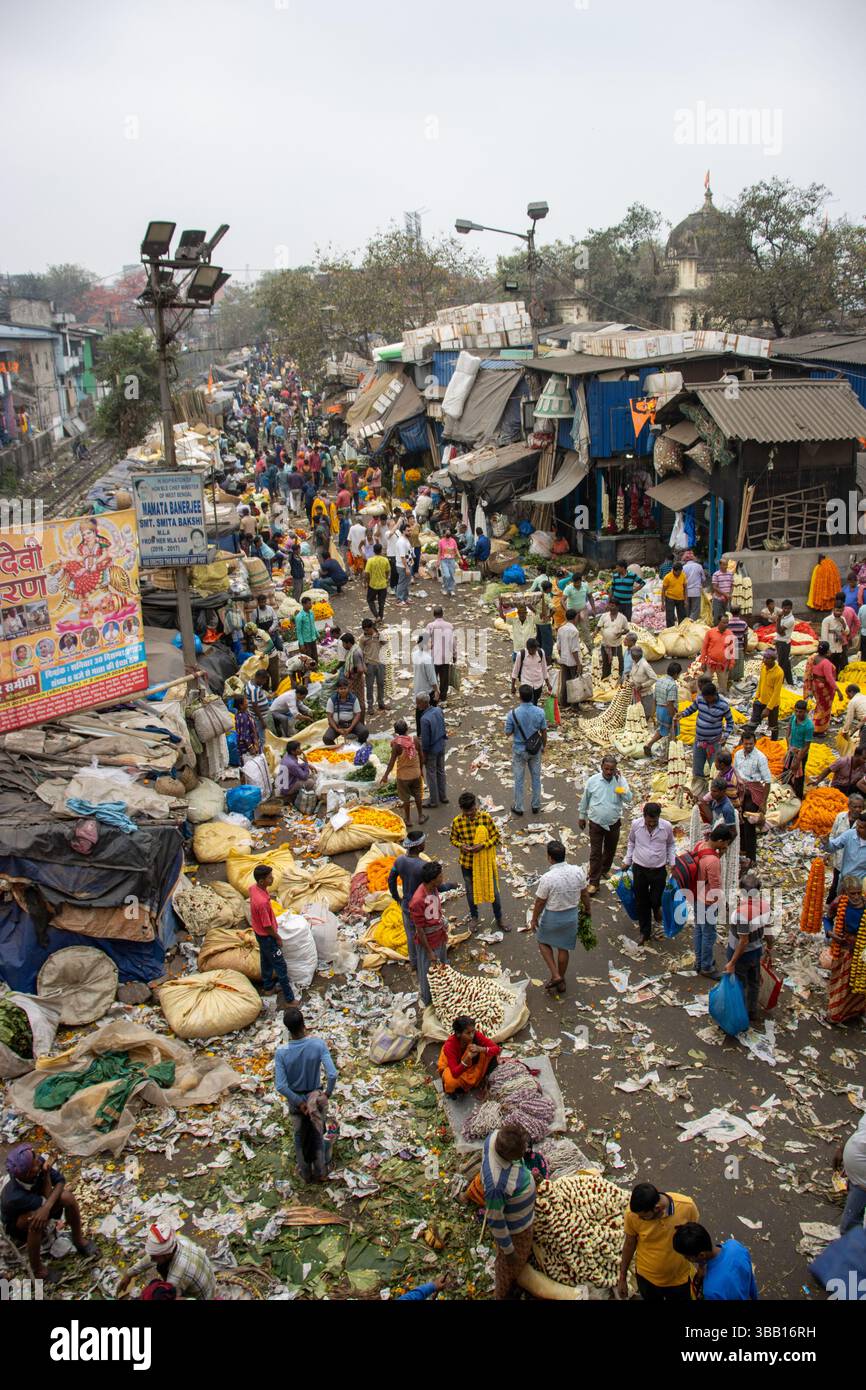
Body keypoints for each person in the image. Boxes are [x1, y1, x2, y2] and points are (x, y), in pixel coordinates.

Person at [2, 1144, 95, 1281]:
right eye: (36, 1165)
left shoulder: (37, 1163)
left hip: (42, 1203)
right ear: (28, 1174)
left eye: (37, 1159)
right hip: (18, 1226)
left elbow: (60, 1181)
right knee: (36, 1222)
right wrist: (46, 1180)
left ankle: (78, 1239)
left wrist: (45, 1175)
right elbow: (47, 1199)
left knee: (67, 1198)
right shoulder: (14, 1196)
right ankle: (38, 1269)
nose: (40, 1162)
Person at [275, 1007, 338, 1183]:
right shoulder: (318, 1045)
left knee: (299, 1136)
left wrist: (298, 1102)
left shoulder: (282, 1052)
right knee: (318, 1133)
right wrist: (327, 1093)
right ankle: (321, 1172)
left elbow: (280, 1085)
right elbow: (332, 1074)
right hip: (315, 1098)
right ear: (304, 1025)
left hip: (296, 1102)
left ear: (288, 1029)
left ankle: (305, 1173)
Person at [482, 1124, 537, 1301]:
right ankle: (504, 1292)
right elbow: (495, 1219)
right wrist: (509, 1251)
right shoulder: (497, 1186)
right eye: (521, 1152)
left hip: (523, 1217)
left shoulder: (495, 1136)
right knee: (508, 1267)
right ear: (507, 1156)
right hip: (515, 1229)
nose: (525, 1153)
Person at [618, 1182, 699, 1302]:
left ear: (657, 1208)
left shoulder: (687, 1206)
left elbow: (696, 1236)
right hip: (646, 1278)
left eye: (644, 1217)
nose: (640, 1219)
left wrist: (702, 1266)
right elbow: (629, 1244)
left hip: (678, 1279)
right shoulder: (632, 1214)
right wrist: (622, 1277)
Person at [529, 841, 591, 992]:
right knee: (563, 949)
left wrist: (534, 918)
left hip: (553, 916)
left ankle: (555, 974)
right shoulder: (577, 871)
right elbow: (584, 893)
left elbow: (540, 902)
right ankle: (561, 981)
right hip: (571, 916)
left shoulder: (548, 878)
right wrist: (588, 910)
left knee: (543, 942)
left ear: (550, 858)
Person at [117, 1217, 215, 1300]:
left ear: (166, 1254)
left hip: (203, 1295)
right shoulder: (178, 1240)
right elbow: (150, 1258)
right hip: (203, 1277)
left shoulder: (176, 1276)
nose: (152, 1258)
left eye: (155, 1256)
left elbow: (170, 1295)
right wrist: (129, 1274)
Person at [449, 792, 508, 931]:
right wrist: (461, 845)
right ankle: (474, 917)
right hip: (467, 863)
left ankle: (499, 917)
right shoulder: (457, 822)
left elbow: (496, 837)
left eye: (472, 811)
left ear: (476, 806)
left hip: (485, 864)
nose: (470, 814)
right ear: (461, 809)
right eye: (467, 812)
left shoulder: (486, 818)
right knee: (470, 892)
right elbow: (453, 839)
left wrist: (482, 845)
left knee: (493, 891)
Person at [622, 803, 676, 944]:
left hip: (658, 870)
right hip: (639, 869)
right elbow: (631, 842)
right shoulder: (636, 825)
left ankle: (656, 910)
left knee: (656, 899)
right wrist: (627, 860)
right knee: (641, 902)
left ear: (659, 817)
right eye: (649, 822)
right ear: (644, 816)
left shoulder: (667, 827)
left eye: (654, 822)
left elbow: (670, 844)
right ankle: (644, 932)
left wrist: (672, 861)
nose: (651, 824)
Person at [579, 755, 632, 894]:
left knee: (610, 850)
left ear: (616, 769)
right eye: (606, 769)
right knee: (595, 853)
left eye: (612, 769)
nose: (609, 772)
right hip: (596, 822)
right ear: (602, 767)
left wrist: (619, 784)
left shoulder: (620, 781)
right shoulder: (593, 781)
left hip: (613, 822)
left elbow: (628, 798)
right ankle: (594, 882)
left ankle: (605, 869)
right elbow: (585, 799)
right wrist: (582, 816)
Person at [689, 824, 737, 977]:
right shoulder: (713, 861)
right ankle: (707, 967)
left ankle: (699, 961)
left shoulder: (699, 845)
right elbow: (715, 886)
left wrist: (720, 854)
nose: (726, 846)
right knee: (709, 934)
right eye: (726, 843)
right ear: (721, 841)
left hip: (696, 895)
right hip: (708, 901)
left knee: (699, 929)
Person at [672, 1224, 759, 1301]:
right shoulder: (735, 1245)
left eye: (687, 1256)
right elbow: (750, 1278)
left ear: (701, 1255)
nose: (686, 1258)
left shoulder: (711, 1291)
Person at [823, 873, 866, 1026]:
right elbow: (827, 919)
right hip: (843, 949)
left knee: (859, 981)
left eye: (858, 893)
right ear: (845, 893)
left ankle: (857, 1010)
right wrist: (830, 933)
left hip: (861, 950)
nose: (856, 897)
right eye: (852, 893)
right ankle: (837, 1012)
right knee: (843, 982)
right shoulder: (838, 903)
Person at [677, 682, 734, 793]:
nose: (706, 700)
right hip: (699, 741)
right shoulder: (700, 699)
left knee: (715, 768)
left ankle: (714, 792)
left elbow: (730, 722)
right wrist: (682, 714)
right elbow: (691, 709)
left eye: (708, 698)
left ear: (714, 695)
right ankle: (697, 792)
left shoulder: (723, 705)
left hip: (714, 743)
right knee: (697, 768)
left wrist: (726, 735)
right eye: (705, 697)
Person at [250, 864, 295, 1003]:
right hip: (267, 937)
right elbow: (267, 926)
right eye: (270, 878)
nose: (273, 879)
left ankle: (268, 987)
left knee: (265, 960)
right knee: (281, 966)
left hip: (259, 933)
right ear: (262, 881)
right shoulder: (262, 903)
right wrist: (277, 937)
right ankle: (290, 1000)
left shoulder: (253, 888)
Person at [725, 865, 765, 1022]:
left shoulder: (742, 913)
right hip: (757, 952)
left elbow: (743, 941)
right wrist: (769, 947)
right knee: (754, 983)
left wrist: (732, 962)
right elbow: (768, 930)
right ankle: (752, 1011)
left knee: (740, 984)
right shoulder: (764, 906)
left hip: (742, 955)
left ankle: (740, 1014)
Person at [409, 861, 449, 1005]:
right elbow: (419, 930)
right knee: (429, 973)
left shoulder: (434, 889)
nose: (442, 877)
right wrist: (429, 951)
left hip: (439, 936)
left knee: (442, 967)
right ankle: (429, 1001)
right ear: (433, 879)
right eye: (440, 876)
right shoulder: (417, 900)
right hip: (429, 942)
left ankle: (443, 994)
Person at [388, 830, 429, 967]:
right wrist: (450, 886)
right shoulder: (423, 866)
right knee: (424, 934)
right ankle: (426, 961)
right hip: (422, 906)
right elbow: (434, 886)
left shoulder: (399, 861)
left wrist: (396, 897)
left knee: (411, 935)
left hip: (406, 904)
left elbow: (391, 879)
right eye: (423, 843)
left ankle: (414, 962)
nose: (425, 844)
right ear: (418, 847)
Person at [506, 684, 547, 817]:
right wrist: (543, 746)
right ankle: (535, 805)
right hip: (535, 749)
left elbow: (507, 732)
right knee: (536, 778)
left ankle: (519, 807)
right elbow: (544, 732)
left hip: (519, 750)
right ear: (532, 696)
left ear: (520, 697)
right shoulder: (540, 712)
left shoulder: (512, 714)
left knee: (519, 779)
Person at [733, 728, 772, 865]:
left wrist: (763, 803)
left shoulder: (760, 758)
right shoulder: (737, 755)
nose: (748, 746)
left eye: (751, 744)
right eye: (746, 744)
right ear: (742, 743)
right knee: (739, 819)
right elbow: (735, 771)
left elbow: (767, 781)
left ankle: (751, 857)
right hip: (740, 790)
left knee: (749, 821)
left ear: (755, 743)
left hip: (754, 791)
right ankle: (741, 849)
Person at [437, 1015, 501, 1094]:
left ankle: (478, 1079)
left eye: (473, 1031)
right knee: (450, 1080)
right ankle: (464, 1086)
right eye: (468, 1033)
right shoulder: (450, 1046)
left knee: (490, 1053)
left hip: (470, 1067)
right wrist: (466, 1060)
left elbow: (497, 1049)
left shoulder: (476, 1035)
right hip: (457, 1068)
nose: (471, 1035)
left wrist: (481, 1049)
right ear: (458, 1034)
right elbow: (455, 1073)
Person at [381, 719, 427, 827]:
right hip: (415, 773)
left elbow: (391, 763)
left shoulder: (396, 745)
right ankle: (421, 816)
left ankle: (408, 819)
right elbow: (421, 756)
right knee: (418, 795)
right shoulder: (414, 740)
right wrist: (420, 769)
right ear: (407, 729)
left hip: (403, 777)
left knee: (406, 798)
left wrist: (385, 776)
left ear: (396, 731)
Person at [826, 794, 865, 903]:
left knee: (853, 899)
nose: (857, 809)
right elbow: (833, 839)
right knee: (835, 888)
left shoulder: (863, 820)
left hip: (858, 880)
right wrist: (826, 845)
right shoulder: (841, 818)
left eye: (860, 807)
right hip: (840, 862)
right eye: (855, 806)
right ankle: (830, 907)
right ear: (849, 806)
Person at [836, 1113, 866, 1235]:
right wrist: (845, 1148)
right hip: (858, 1182)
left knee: (850, 1225)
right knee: (850, 1224)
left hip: (863, 1187)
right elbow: (861, 1130)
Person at [417, 693, 448, 810]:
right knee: (440, 770)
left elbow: (425, 740)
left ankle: (434, 800)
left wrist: (423, 754)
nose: (417, 705)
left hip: (431, 749)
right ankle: (443, 796)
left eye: (418, 702)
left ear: (423, 704)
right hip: (441, 743)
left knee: (431, 774)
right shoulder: (438, 710)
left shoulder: (424, 719)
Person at [644, 661, 681, 759]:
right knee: (673, 731)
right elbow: (670, 703)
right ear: (676, 674)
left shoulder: (659, 681)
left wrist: (653, 713)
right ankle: (670, 754)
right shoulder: (672, 685)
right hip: (667, 711)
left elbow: (655, 699)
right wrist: (673, 715)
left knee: (662, 730)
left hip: (660, 709)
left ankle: (651, 745)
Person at [803, 640, 838, 737]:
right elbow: (829, 678)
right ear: (827, 651)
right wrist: (838, 690)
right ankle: (818, 729)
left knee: (819, 705)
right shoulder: (825, 662)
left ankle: (816, 726)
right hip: (823, 687)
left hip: (815, 684)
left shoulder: (813, 658)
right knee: (824, 707)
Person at [323, 677, 369, 746]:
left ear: (348, 688)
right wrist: (337, 729)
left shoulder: (353, 698)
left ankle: (359, 745)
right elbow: (329, 717)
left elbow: (357, 714)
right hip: (337, 725)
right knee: (326, 738)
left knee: (364, 732)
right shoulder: (332, 699)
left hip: (351, 723)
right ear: (337, 689)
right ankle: (336, 749)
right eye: (341, 689)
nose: (343, 690)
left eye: (345, 688)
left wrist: (350, 728)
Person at [556, 608, 585, 711]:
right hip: (572, 661)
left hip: (564, 659)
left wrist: (561, 656)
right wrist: (579, 663)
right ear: (575, 617)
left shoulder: (561, 629)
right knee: (574, 683)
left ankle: (563, 702)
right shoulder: (574, 631)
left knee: (565, 681)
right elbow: (574, 649)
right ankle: (574, 705)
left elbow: (558, 646)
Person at [750, 649, 783, 739]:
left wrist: (768, 708)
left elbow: (776, 692)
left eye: (767, 658)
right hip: (760, 700)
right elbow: (761, 682)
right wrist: (756, 697)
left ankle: (774, 743)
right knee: (753, 723)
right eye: (764, 657)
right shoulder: (764, 667)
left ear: (773, 659)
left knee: (773, 726)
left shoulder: (779, 672)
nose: (764, 660)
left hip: (772, 704)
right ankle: (746, 741)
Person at [562, 570, 596, 653]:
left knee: (585, 629)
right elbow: (562, 600)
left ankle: (589, 647)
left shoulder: (585, 586)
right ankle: (572, 649)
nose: (577, 584)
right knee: (573, 630)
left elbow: (590, 597)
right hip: (572, 612)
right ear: (572, 582)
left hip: (582, 609)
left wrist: (593, 608)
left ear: (581, 581)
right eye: (575, 583)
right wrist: (567, 611)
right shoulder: (568, 588)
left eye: (578, 583)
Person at [427, 607, 456, 703]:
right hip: (445, 657)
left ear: (434, 615)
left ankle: (433, 697)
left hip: (434, 657)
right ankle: (443, 697)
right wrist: (454, 655)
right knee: (444, 679)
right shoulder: (449, 626)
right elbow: (453, 642)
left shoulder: (430, 626)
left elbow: (426, 641)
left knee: (433, 678)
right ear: (442, 614)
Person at [511, 636, 551, 706]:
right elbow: (515, 670)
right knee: (529, 703)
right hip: (526, 682)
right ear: (528, 648)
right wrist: (513, 686)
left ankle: (531, 714)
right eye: (532, 650)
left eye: (535, 649)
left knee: (535, 701)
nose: (534, 651)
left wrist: (548, 684)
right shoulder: (521, 654)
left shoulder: (541, 652)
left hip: (538, 683)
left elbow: (544, 668)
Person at [699, 615, 734, 694]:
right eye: (724, 623)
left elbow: (732, 650)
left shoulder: (730, 634)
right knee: (706, 683)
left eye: (727, 623)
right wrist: (703, 661)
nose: (726, 624)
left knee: (723, 686)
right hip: (710, 663)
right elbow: (704, 647)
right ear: (719, 622)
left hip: (723, 664)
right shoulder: (710, 632)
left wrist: (731, 663)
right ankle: (705, 697)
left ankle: (721, 699)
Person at [360, 618, 388, 713]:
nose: (366, 632)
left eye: (367, 629)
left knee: (381, 684)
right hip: (369, 665)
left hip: (380, 663)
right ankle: (370, 706)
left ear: (372, 627)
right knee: (369, 686)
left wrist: (379, 635)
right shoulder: (362, 639)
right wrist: (363, 665)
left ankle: (381, 703)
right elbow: (361, 654)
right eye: (364, 630)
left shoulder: (379, 635)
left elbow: (385, 643)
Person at [597, 601, 630, 680]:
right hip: (605, 644)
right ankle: (605, 677)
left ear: (617, 607)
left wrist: (621, 633)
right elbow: (598, 626)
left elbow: (626, 629)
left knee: (618, 662)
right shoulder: (604, 616)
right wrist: (595, 632)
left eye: (613, 606)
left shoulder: (622, 618)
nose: (611, 607)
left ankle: (620, 677)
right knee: (605, 663)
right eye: (610, 605)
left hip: (616, 644)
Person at [278, 741, 315, 806]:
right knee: (311, 782)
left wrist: (306, 765)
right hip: (287, 788)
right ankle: (298, 796)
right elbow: (304, 777)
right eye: (298, 748)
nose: (301, 750)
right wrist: (306, 763)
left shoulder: (287, 755)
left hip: (284, 783)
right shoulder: (291, 763)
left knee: (309, 774)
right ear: (293, 751)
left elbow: (296, 767)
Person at [340, 632, 367, 721]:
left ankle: (361, 721)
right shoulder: (355, 649)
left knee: (359, 702)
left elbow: (360, 670)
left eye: (343, 643)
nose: (343, 645)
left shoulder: (355, 653)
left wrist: (352, 677)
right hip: (355, 679)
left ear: (348, 643)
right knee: (357, 701)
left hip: (356, 681)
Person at [628, 645, 656, 720]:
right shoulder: (634, 663)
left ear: (634, 656)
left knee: (645, 714)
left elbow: (654, 678)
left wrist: (642, 685)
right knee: (637, 712)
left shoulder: (645, 665)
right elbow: (631, 674)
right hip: (636, 692)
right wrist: (631, 681)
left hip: (645, 694)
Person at [821, 601, 849, 674]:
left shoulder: (843, 619)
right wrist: (827, 649)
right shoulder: (827, 620)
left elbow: (847, 632)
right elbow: (824, 636)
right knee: (829, 668)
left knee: (837, 667)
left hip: (839, 647)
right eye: (837, 610)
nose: (839, 613)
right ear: (833, 609)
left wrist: (843, 624)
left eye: (840, 611)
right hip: (830, 648)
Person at [365, 542, 390, 620]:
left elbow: (367, 573)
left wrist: (367, 582)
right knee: (381, 602)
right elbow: (387, 571)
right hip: (383, 585)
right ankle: (381, 617)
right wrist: (386, 579)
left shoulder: (370, 560)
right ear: (381, 550)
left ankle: (377, 616)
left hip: (373, 585)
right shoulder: (385, 560)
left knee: (370, 600)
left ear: (373, 550)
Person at [412, 632, 439, 708]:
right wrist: (437, 690)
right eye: (430, 642)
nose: (432, 644)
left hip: (417, 687)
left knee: (419, 708)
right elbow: (432, 679)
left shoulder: (414, 654)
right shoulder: (427, 659)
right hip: (427, 691)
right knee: (428, 710)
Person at [726, 605, 749, 687]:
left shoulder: (727, 623)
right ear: (739, 612)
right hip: (739, 647)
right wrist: (745, 649)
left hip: (729, 647)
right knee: (738, 665)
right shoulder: (743, 624)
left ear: (731, 612)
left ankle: (729, 680)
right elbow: (745, 638)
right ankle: (737, 681)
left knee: (729, 664)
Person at [773, 599, 795, 684]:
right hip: (781, 641)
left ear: (791, 609)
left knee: (781, 664)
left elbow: (779, 631)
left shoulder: (790, 620)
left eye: (788, 609)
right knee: (786, 663)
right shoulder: (784, 616)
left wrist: (778, 618)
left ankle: (780, 682)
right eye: (784, 608)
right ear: (782, 608)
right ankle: (790, 682)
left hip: (784, 643)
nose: (786, 610)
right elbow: (780, 632)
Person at [234, 692, 260, 758]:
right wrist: (251, 747)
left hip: (252, 743)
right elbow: (244, 734)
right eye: (245, 701)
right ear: (241, 705)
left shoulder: (245, 712)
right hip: (247, 747)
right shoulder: (242, 717)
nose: (247, 703)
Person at [661, 561, 687, 627]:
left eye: (681, 571)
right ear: (674, 571)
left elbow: (685, 588)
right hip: (670, 598)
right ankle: (670, 630)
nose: (679, 573)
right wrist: (662, 603)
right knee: (670, 616)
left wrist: (686, 599)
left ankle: (682, 629)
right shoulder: (667, 577)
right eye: (678, 572)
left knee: (682, 616)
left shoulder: (683, 575)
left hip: (680, 598)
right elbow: (663, 591)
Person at [295, 595, 319, 664]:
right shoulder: (299, 617)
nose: (311, 605)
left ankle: (316, 671)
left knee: (315, 656)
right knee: (308, 659)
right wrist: (302, 644)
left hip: (312, 639)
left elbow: (313, 625)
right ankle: (309, 673)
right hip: (306, 641)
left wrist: (317, 634)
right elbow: (298, 632)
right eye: (309, 604)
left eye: (310, 603)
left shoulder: (311, 613)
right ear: (303, 604)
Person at [683, 554, 705, 619]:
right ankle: (692, 623)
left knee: (687, 609)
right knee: (695, 609)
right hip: (696, 591)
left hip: (686, 592)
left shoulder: (684, 567)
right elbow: (703, 579)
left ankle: (687, 623)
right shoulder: (699, 566)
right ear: (694, 559)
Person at [438, 528, 459, 597]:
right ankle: (445, 588)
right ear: (444, 534)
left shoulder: (453, 541)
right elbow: (439, 552)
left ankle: (451, 589)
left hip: (452, 560)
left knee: (452, 575)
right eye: (447, 532)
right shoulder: (441, 541)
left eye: (449, 532)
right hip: (444, 560)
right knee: (446, 575)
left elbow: (456, 550)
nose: (448, 533)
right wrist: (438, 561)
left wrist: (460, 558)